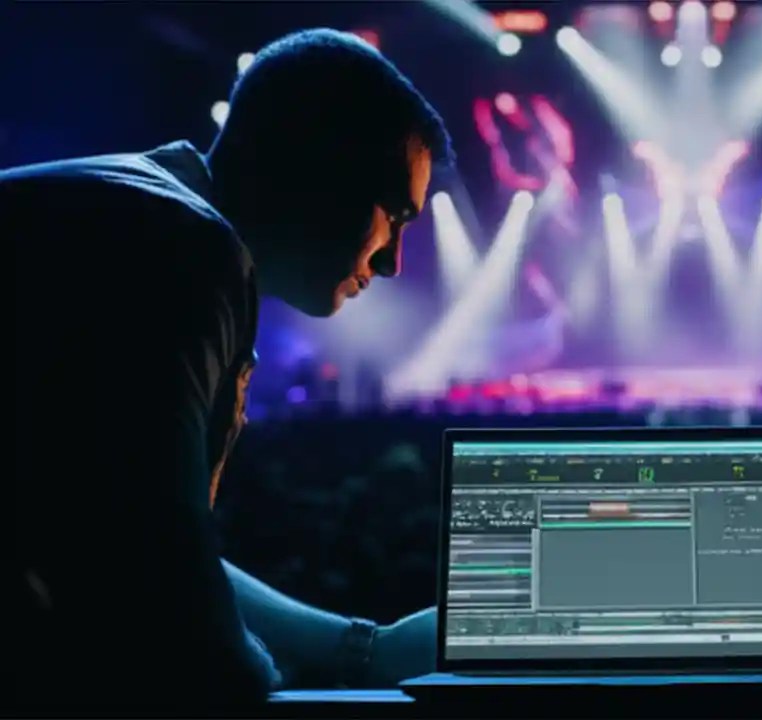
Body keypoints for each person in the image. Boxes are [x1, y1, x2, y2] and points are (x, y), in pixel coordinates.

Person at [5, 29, 451, 710]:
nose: (393, 260)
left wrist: (365, 650)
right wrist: (257, 670)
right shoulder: (184, 250)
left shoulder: (142, 211)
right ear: (319, 167)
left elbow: (136, 534)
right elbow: (183, 620)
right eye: (395, 213)